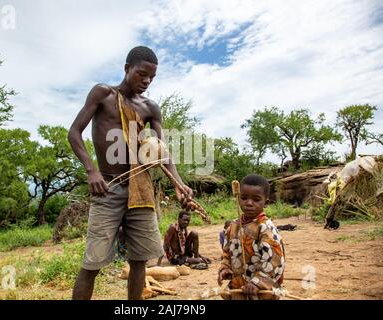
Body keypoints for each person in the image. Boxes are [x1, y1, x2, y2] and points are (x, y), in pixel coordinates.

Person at [68, 46, 194, 300]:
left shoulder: (150, 108)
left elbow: (163, 151)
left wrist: (179, 184)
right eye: (141, 74)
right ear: (127, 69)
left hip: (140, 190)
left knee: (139, 260)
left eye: (152, 77)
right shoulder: (103, 94)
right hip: (108, 187)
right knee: (92, 262)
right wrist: (92, 171)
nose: (146, 81)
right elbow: (74, 132)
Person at [218, 174, 285, 300]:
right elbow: (227, 253)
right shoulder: (233, 226)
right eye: (244, 198)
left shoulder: (266, 227)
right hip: (238, 287)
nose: (249, 203)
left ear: (266, 202)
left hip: (261, 291)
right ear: (238, 198)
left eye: (256, 199)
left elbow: (274, 261)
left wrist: (257, 282)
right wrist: (225, 269)